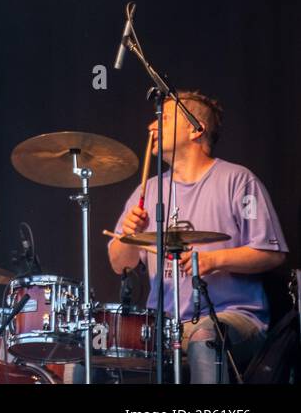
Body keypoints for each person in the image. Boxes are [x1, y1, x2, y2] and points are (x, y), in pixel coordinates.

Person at [108, 91, 288, 383]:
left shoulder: (238, 181)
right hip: (161, 326)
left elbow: (272, 253)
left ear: (195, 129)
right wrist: (128, 237)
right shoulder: (149, 189)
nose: (150, 127)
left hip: (232, 317)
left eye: (162, 119)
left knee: (203, 337)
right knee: (87, 347)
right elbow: (120, 265)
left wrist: (213, 260)